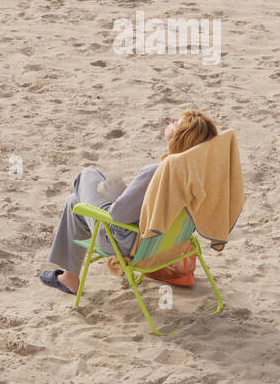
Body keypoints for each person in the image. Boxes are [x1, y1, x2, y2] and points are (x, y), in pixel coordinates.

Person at [39, 110, 218, 295]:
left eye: (177, 123)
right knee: (73, 201)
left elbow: (117, 215)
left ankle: (70, 279)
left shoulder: (157, 173)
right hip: (166, 247)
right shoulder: (199, 178)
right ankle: (69, 277)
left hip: (125, 244)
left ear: (182, 137)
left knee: (86, 175)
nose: (172, 120)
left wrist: (119, 196)